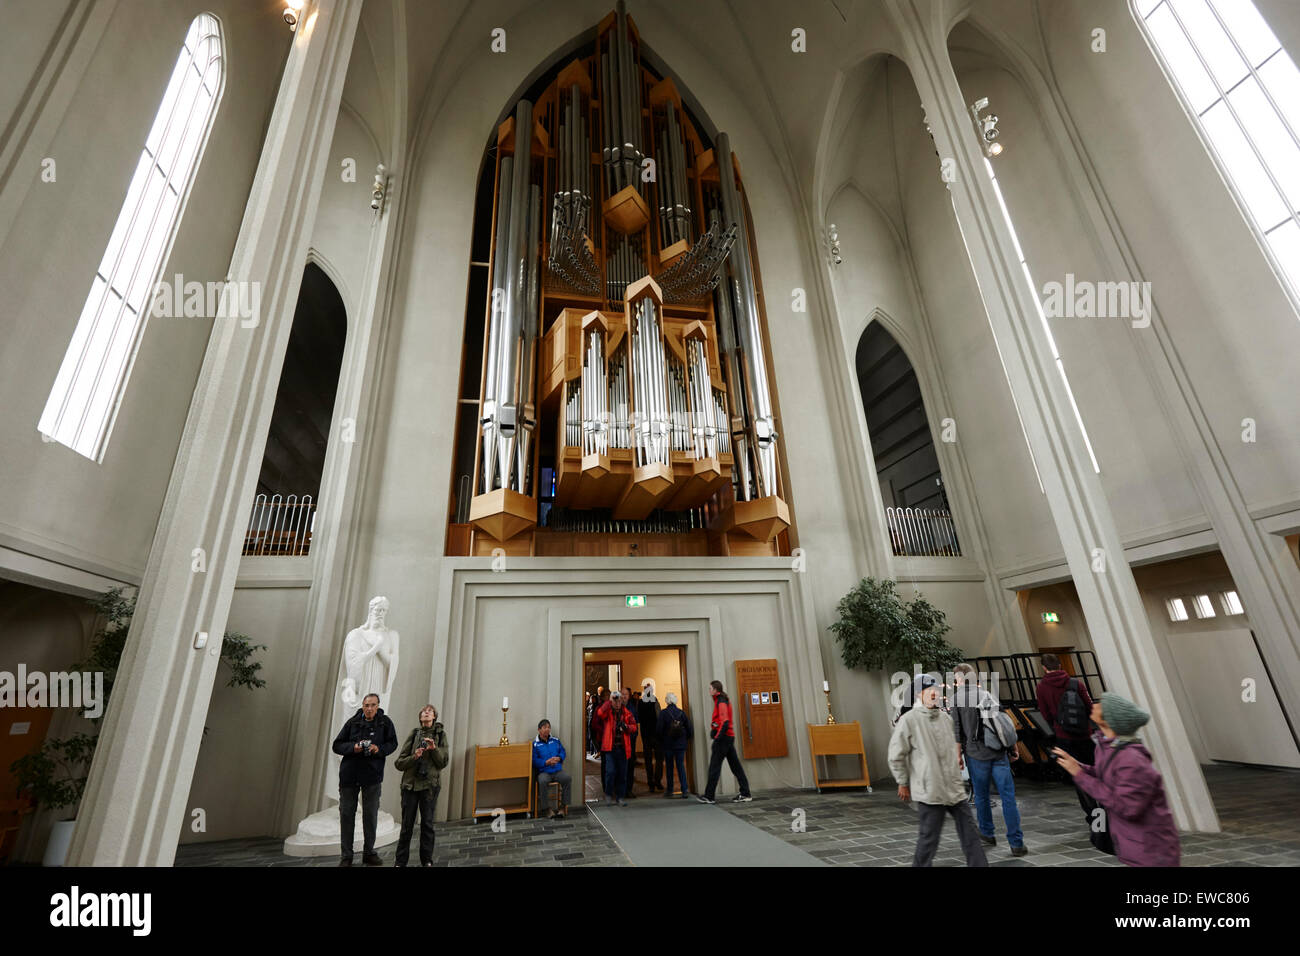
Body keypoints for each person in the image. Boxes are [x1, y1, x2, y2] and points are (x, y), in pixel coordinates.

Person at [1053, 692, 1181, 867]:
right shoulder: (1106, 747)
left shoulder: (1131, 759)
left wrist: (1080, 775)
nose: (1094, 706)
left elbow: (1128, 807)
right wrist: (1078, 766)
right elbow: (1104, 773)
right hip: (1132, 841)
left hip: (1150, 846)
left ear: (1110, 720)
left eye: (1101, 705)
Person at [888, 675, 988, 867]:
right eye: (929, 690)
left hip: (954, 789)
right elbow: (896, 754)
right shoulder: (909, 720)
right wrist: (902, 781)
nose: (934, 693)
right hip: (930, 790)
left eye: (937, 690)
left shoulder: (945, 718)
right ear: (919, 694)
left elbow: (950, 750)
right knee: (928, 840)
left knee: (971, 834)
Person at [951, 663, 1027, 857]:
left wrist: (958, 756)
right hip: (999, 752)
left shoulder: (956, 699)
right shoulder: (987, 694)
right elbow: (1004, 723)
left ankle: (987, 832)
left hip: (976, 755)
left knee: (982, 795)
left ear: (959, 679)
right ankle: (1016, 843)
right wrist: (1013, 746)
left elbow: (957, 733)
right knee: (1008, 796)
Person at [331, 692, 398, 866]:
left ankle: (369, 852)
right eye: (366, 705)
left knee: (370, 815)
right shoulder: (352, 723)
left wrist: (378, 749)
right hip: (349, 776)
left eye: (373, 705)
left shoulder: (385, 723)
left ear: (378, 706)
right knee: (346, 815)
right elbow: (336, 745)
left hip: (372, 776)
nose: (369, 709)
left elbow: (393, 743)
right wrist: (354, 747)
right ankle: (346, 856)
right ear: (362, 706)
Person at [1036, 653, 1096, 816]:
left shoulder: (1042, 687)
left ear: (1044, 667)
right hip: (1085, 735)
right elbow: (1089, 707)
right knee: (1094, 771)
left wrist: (1057, 726)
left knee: (1078, 776)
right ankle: (1105, 809)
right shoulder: (1076, 683)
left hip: (1064, 737)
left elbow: (1045, 713)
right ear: (1060, 665)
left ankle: (1094, 817)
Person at [392, 704, 448, 867]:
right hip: (410, 786)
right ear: (420, 717)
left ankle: (427, 861)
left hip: (429, 786)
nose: (426, 713)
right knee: (406, 826)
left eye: (429, 711)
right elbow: (399, 763)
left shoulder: (440, 735)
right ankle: (400, 862)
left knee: (427, 825)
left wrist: (434, 748)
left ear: (434, 717)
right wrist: (414, 757)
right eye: (424, 711)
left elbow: (443, 762)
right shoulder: (414, 734)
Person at [698, 680, 751, 804]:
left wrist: (717, 737)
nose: (709, 691)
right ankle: (745, 793)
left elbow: (725, 721)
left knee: (714, 767)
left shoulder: (721, 701)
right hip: (728, 738)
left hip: (724, 739)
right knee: (735, 766)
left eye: (710, 688)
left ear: (716, 690)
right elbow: (720, 720)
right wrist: (715, 727)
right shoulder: (722, 700)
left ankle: (709, 796)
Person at [595, 690, 638, 806]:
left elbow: (634, 727)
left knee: (622, 774)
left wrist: (626, 727)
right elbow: (599, 713)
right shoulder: (607, 712)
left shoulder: (627, 713)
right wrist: (609, 702)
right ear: (611, 702)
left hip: (623, 749)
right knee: (610, 772)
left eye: (619, 701)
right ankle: (608, 794)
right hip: (610, 749)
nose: (617, 703)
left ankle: (620, 797)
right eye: (615, 701)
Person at [532, 719, 572, 819]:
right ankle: (547, 809)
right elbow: (534, 760)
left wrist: (559, 758)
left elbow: (563, 751)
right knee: (542, 781)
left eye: (549, 727)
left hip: (557, 770)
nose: (547, 729)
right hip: (544, 772)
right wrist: (546, 762)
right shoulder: (535, 744)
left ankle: (562, 807)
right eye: (544, 727)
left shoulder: (555, 740)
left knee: (567, 778)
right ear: (539, 730)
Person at [656, 692, 692, 798]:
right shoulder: (681, 713)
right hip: (680, 745)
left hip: (668, 745)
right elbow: (689, 728)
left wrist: (661, 740)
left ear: (667, 701)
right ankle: (685, 789)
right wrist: (686, 739)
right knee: (680, 766)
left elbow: (659, 730)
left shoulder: (663, 713)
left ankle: (670, 790)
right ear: (675, 700)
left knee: (669, 767)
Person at [637, 681, 664, 792]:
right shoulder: (655, 701)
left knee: (648, 759)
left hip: (645, 735)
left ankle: (650, 783)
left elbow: (638, 718)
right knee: (659, 759)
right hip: (656, 734)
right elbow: (659, 716)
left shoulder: (640, 703)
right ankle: (657, 781)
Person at [624, 686, 640, 797]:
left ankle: (628, 789)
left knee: (629, 766)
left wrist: (633, 736)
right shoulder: (616, 706)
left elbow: (635, 724)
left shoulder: (632, 708)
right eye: (622, 694)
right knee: (620, 766)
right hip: (619, 743)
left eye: (626, 694)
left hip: (630, 741)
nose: (624, 696)